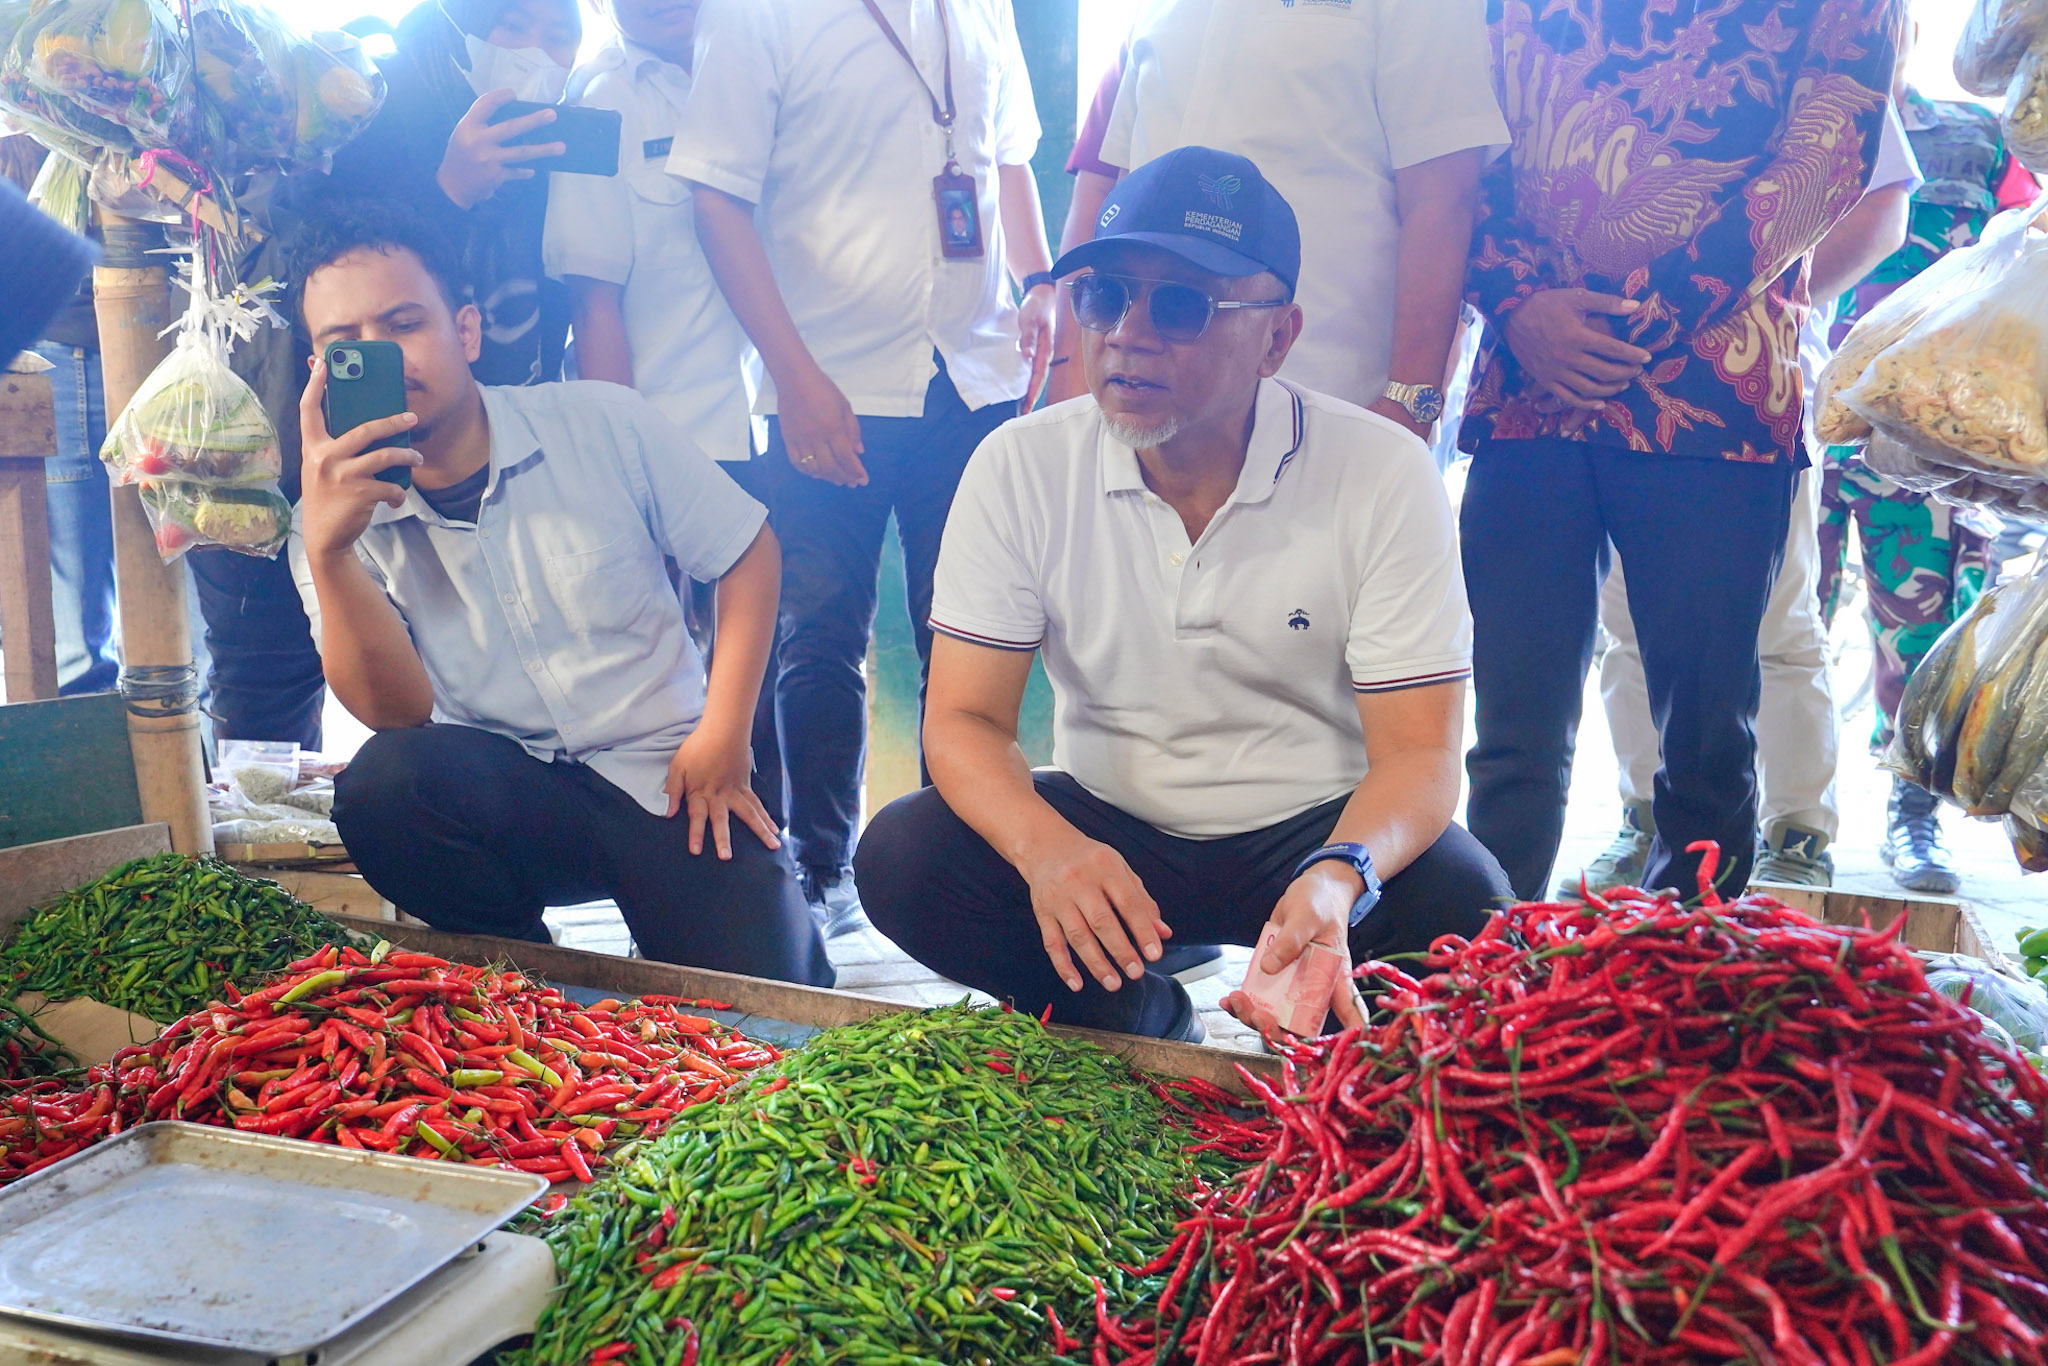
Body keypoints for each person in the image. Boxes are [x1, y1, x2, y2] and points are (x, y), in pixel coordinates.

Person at [857, 149, 1510, 1043]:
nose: (1128, 332)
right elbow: (964, 721)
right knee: (905, 858)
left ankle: (1333, 1040)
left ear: (1278, 337)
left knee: (1465, 907)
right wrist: (1050, 852)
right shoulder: (1020, 465)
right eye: (1103, 296)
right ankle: (1136, 1018)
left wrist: (1339, 875)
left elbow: (1422, 756)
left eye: (1181, 305)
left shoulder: (1379, 472)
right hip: (1110, 827)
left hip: (1313, 830)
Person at [285, 198, 831, 988]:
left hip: (672, 777)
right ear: (319, 374)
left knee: (776, 1014)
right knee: (383, 787)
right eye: (345, 346)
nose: (385, 357)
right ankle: (516, 973)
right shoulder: (328, 521)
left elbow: (747, 552)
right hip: (510, 795)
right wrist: (332, 554)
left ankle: (697, 922)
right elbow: (396, 717)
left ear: (465, 331)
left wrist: (724, 736)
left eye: (405, 323)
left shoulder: (601, 423)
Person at [1461, 0, 1905, 900]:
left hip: (1717, 398)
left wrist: (1632, 322)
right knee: (1511, 735)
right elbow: (1460, 153)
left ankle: (1685, 1005)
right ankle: (1476, 992)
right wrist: (1518, 307)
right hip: (1528, 390)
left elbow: (1826, 165)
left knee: (1704, 741)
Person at [670, 0, 1057, 939]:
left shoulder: (986, 11)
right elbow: (716, 197)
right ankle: (821, 869)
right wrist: (793, 376)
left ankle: (964, 865)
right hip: (829, 381)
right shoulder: (761, 15)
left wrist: (1042, 280)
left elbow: (1010, 159)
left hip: (974, 373)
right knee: (822, 632)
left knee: (971, 636)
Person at [1563, 103, 1922, 894]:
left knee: (1779, 620)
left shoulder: (1811, 40)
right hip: (1627, 387)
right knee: (1628, 621)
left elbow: (1883, 211)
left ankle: (1796, 827)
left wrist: (1761, 305)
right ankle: (1647, 815)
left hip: (1760, 388)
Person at [543, 0, 785, 824]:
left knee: (806, 654)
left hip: (792, 413)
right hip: (684, 435)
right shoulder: (595, 99)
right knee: (696, 688)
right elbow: (592, 295)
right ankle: (724, 877)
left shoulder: (777, 54)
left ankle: (817, 868)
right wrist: (625, 468)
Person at [1063, 0, 1506, 440]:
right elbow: (1122, 192)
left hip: (1327, 404)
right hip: (1147, 407)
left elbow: (1442, 202)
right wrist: (1080, 398)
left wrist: (1408, 407)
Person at [1816, 76, 2040, 894]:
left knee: (1919, 634)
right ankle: (1784, 816)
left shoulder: (1977, 136)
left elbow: (2027, 242)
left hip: (1918, 430)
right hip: (1791, 399)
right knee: (1764, 631)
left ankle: (1913, 814)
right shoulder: (1799, 112)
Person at [327, 0, 579, 388]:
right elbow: (333, 278)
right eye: (512, 26)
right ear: (459, 21)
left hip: (518, 417)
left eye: (559, 37)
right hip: (391, 407)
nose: (536, 53)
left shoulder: (554, 143)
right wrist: (450, 189)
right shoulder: (368, 107)